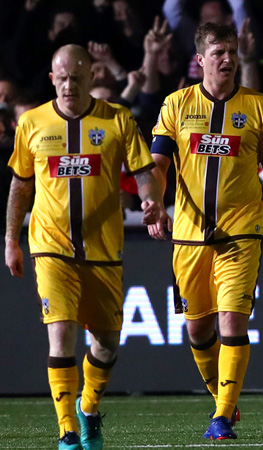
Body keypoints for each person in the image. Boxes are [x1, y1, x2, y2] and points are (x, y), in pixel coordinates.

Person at [5, 44, 166, 450]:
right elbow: (21, 186)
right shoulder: (32, 123)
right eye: (62, 78)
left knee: (107, 342)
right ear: (52, 79)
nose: (69, 85)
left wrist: (152, 199)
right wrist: (11, 239)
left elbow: (143, 170)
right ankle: (67, 432)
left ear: (91, 77)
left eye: (77, 77)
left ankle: (88, 408)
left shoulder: (116, 119)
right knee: (60, 337)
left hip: (102, 250)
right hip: (50, 247)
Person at [148, 22, 263, 440]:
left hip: (241, 232)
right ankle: (223, 402)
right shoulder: (176, 105)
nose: (228, 59)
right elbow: (158, 164)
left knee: (232, 321)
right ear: (200, 60)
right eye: (219, 53)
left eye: (232, 52)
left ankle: (221, 417)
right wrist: (156, 202)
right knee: (198, 328)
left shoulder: (259, 106)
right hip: (189, 234)